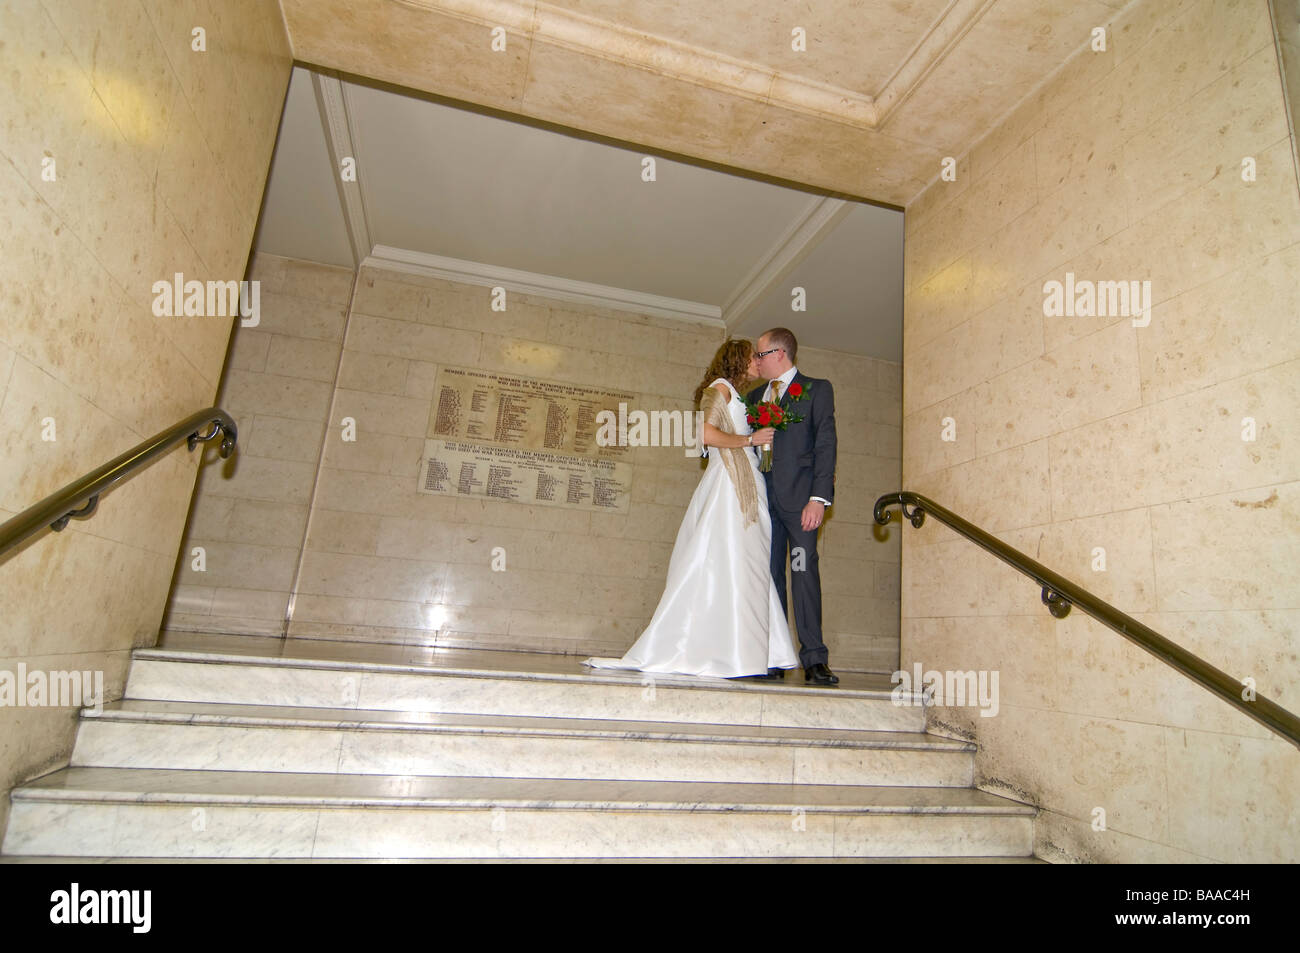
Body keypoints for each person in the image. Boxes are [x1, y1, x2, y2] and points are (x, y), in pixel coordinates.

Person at [585, 339, 799, 678]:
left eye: (761, 357)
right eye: (753, 357)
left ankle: (748, 652)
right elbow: (704, 434)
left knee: (746, 564)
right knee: (733, 562)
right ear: (737, 360)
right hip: (729, 486)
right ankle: (734, 655)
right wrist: (750, 440)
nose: (758, 362)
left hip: (743, 481)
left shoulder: (735, 393)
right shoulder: (720, 388)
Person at [748, 328, 839, 685]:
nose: (757, 361)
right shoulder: (755, 397)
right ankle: (774, 656)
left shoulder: (817, 389)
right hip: (763, 502)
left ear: (780, 353)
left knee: (802, 573)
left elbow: (826, 444)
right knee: (768, 578)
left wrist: (819, 498)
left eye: (761, 355)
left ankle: (814, 658)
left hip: (800, 503)